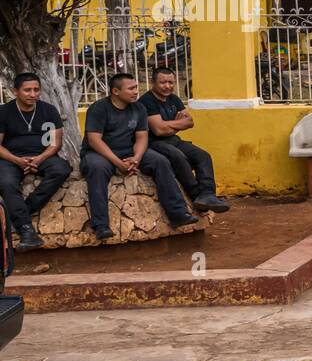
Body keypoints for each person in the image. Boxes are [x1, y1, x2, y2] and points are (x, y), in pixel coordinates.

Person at [82, 73, 199, 242]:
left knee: (160, 161)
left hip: (129, 151)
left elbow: (142, 137)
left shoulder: (139, 108)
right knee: (97, 168)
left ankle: (178, 213)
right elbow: (94, 140)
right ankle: (101, 225)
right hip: (100, 153)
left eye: (136, 87)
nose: (136, 91)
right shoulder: (98, 108)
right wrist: (117, 163)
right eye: (131, 88)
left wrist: (136, 158)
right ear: (115, 91)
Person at [0, 72, 72, 250]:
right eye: (27, 90)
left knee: (61, 169)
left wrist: (39, 158)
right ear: (15, 91)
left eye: (36, 90)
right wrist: (17, 160)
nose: (33, 94)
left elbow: (56, 143)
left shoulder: (48, 110)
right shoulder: (4, 112)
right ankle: (27, 231)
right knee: (6, 182)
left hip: (43, 156)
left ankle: (26, 209)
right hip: (11, 158)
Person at [141, 67, 228, 213]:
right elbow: (159, 130)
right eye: (163, 82)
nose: (168, 86)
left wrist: (169, 126)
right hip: (154, 144)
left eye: (171, 82)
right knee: (178, 157)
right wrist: (177, 125)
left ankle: (208, 194)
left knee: (203, 156)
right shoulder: (146, 101)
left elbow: (190, 122)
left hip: (173, 140)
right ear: (153, 83)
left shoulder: (173, 99)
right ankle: (196, 194)